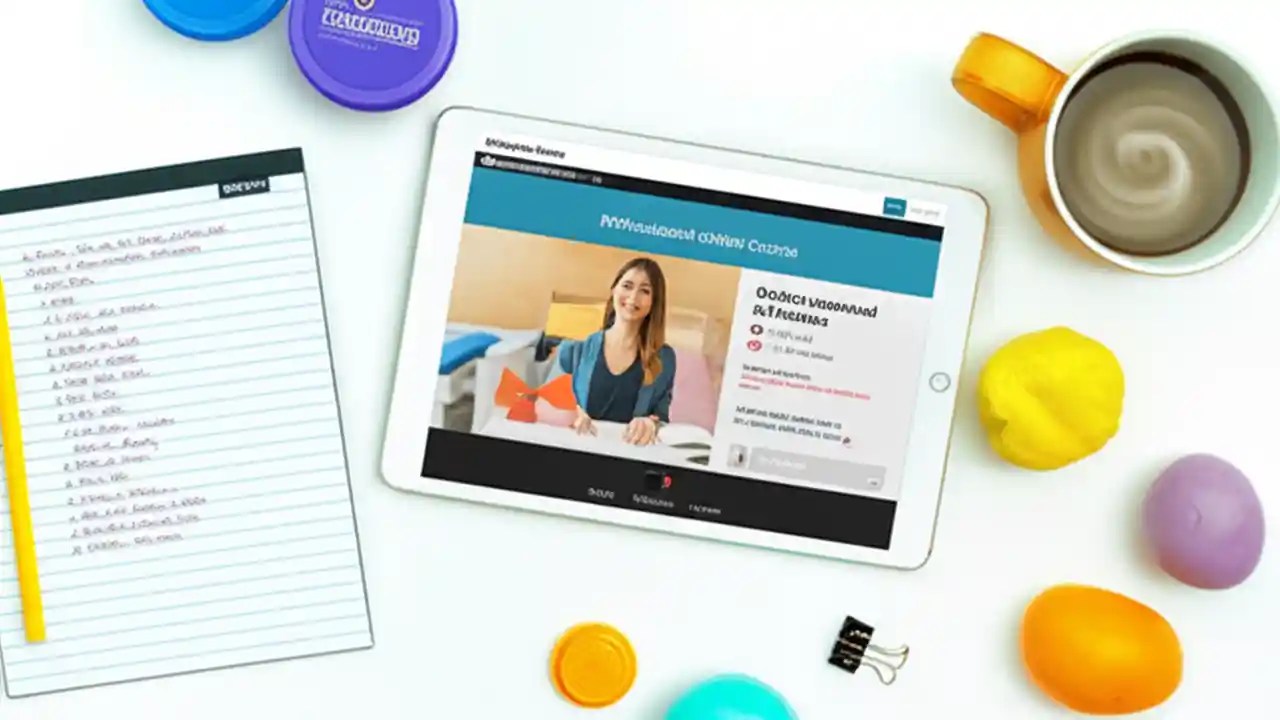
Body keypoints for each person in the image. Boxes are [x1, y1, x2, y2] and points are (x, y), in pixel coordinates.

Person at [556, 257, 676, 445]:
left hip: (627, 455)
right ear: (614, 290)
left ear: (654, 302)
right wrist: (574, 412)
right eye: (627, 286)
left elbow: (661, 418)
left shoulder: (664, 358)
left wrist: (650, 424)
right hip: (578, 447)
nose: (633, 297)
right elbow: (548, 401)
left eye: (645, 291)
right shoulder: (579, 345)